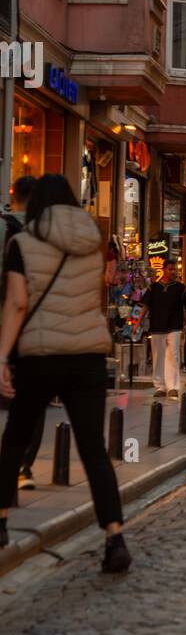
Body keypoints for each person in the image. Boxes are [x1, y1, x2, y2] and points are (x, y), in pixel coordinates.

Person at [0, 174, 130, 572]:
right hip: (87, 356)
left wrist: (3, 355)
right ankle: (114, 537)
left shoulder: (21, 242)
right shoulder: (92, 242)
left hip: (40, 354)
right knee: (93, 449)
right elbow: (93, 296)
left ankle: (2, 524)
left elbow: (18, 303)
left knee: (15, 440)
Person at [1, 176, 44, 492]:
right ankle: (23, 466)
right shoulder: (41, 237)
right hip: (31, 329)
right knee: (31, 399)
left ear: (12, 195)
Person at [142, 258, 186, 401]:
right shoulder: (153, 288)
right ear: (163, 270)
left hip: (174, 326)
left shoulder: (180, 288)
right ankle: (160, 386)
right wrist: (137, 323)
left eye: (174, 269)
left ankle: (173, 387)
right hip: (157, 327)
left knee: (174, 355)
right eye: (170, 269)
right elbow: (145, 306)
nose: (173, 272)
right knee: (158, 356)